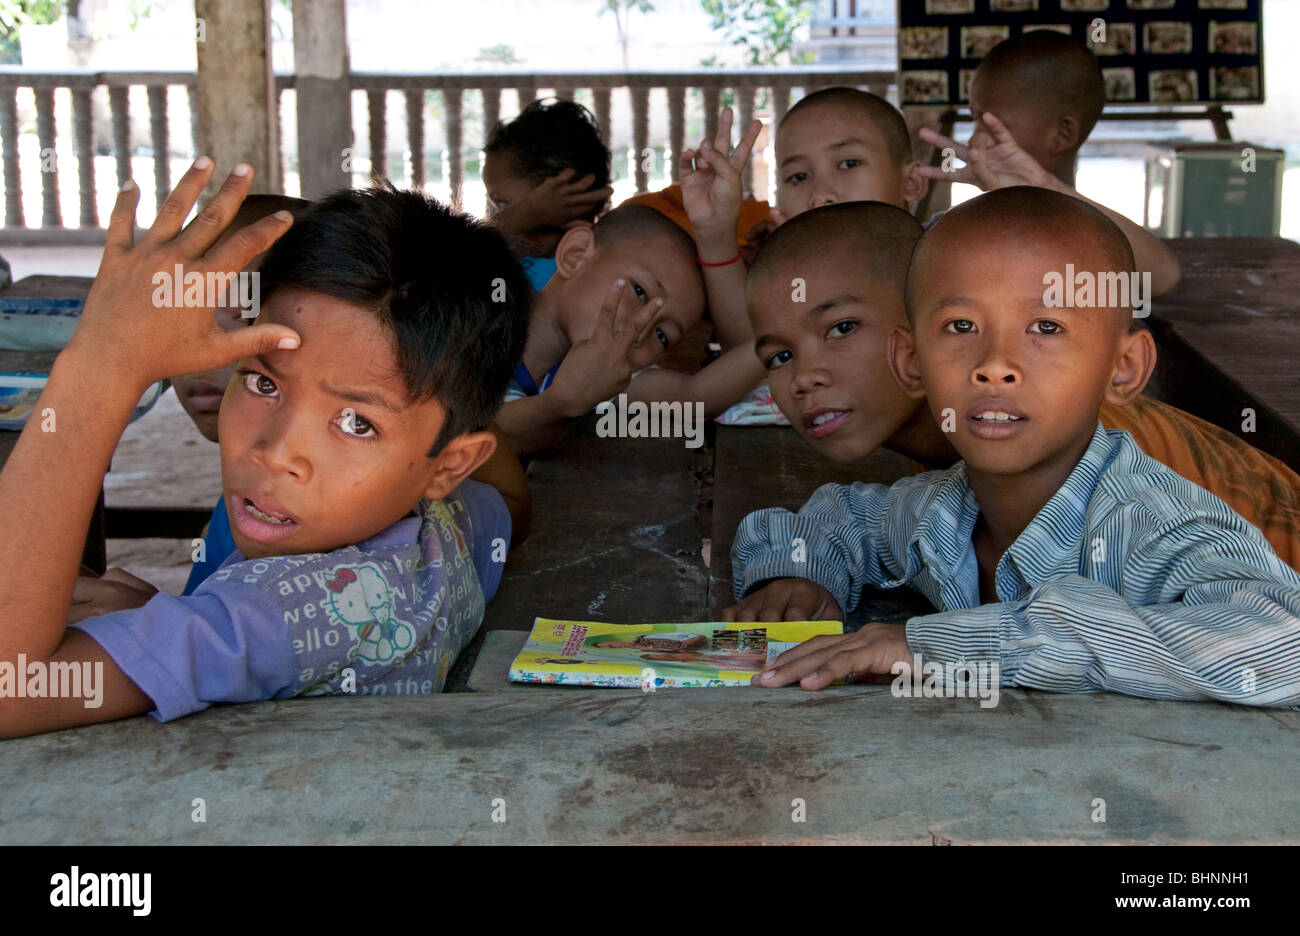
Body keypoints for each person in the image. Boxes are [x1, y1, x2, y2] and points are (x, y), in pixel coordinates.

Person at [0, 162, 530, 738]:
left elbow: (15, 687)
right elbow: (509, 499)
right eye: (263, 382)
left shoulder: (270, 618)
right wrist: (179, 625)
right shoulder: (451, 525)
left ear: (450, 463)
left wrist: (101, 368)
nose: (278, 452)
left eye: (356, 422)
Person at [726, 187, 1300, 707]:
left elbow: (1281, 643)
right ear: (911, 362)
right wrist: (796, 580)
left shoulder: (1151, 523)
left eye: (1046, 327)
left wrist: (948, 646)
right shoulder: (941, 514)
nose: (996, 365)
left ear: (1124, 369)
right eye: (960, 326)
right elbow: (837, 521)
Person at [745, 200, 1300, 571]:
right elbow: (848, 524)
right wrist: (799, 578)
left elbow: (1250, 635)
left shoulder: (1095, 454)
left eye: (842, 328)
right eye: (780, 355)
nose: (805, 376)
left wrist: (956, 646)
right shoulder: (960, 466)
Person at [919, 30, 1181, 295]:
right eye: (974, 117)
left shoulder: (1088, 242)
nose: (976, 138)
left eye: (995, 125)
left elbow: (1162, 277)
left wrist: (1043, 186)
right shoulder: (964, 233)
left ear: (1062, 135)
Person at [494, 202, 708, 456]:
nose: (640, 330)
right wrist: (559, 405)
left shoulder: (593, 371)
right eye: (640, 292)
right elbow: (479, 435)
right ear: (576, 253)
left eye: (662, 336)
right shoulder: (476, 325)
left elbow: (696, 396)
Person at [482, 98, 614, 290]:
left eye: (502, 204)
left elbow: (450, 259)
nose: (493, 217)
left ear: (558, 200)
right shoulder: (502, 264)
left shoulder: (518, 276)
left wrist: (529, 213)